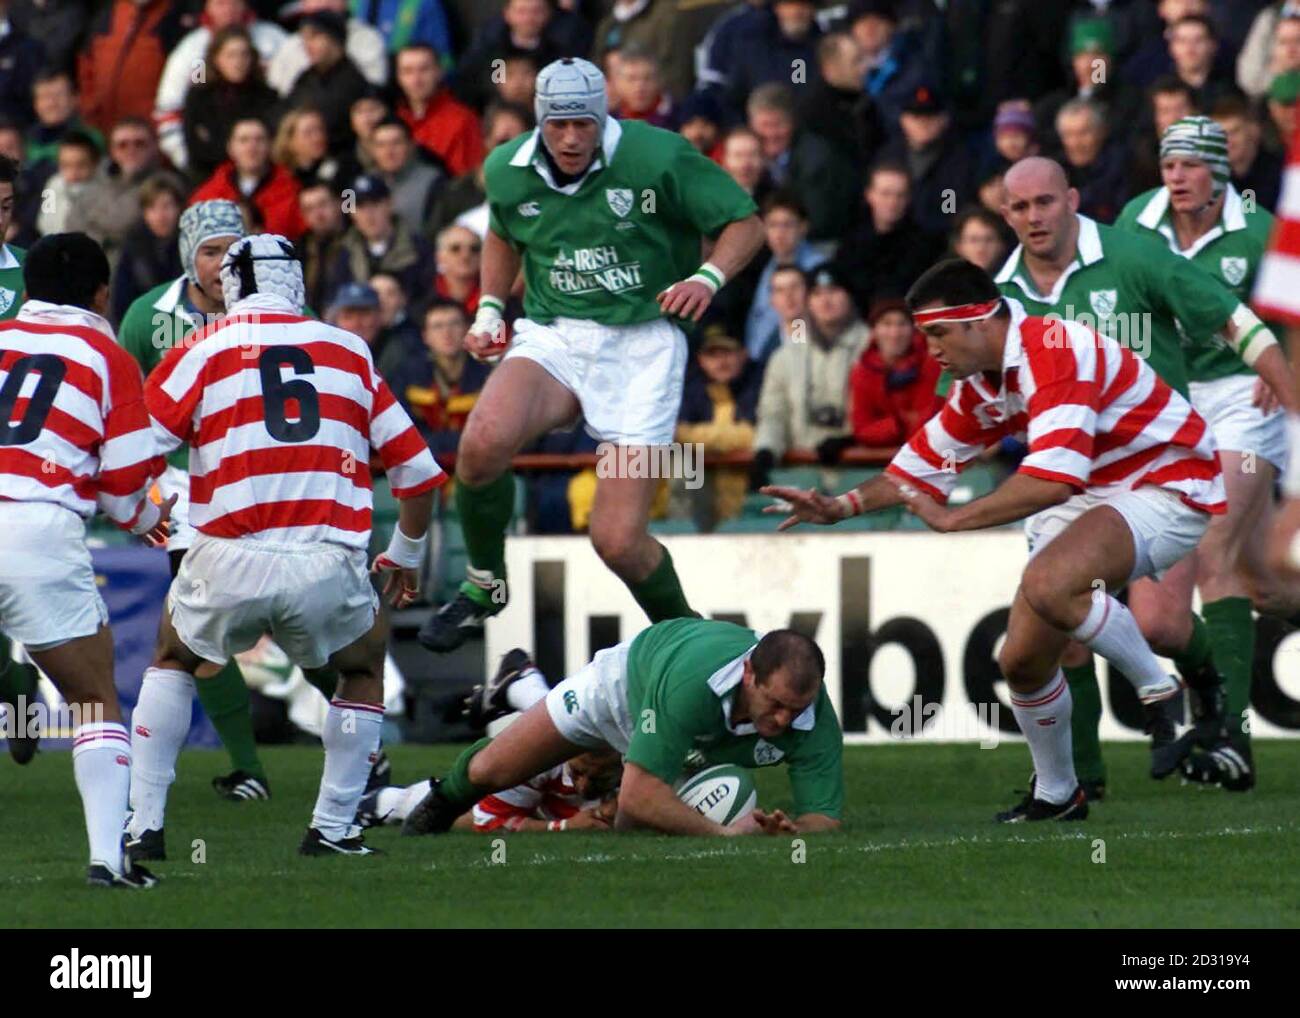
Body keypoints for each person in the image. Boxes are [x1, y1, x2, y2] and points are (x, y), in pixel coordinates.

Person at [765, 258, 1230, 821]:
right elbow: (916, 471)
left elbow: (1053, 482)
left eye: (938, 333)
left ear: (980, 322)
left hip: (1170, 482)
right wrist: (839, 506)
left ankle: (1158, 689)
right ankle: (1060, 793)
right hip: (1096, 491)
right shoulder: (981, 383)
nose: (931, 349)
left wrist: (957, 520)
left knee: (1050, 583)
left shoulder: (1050, 348)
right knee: (1022, 661)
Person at [418, 58, 763, 652]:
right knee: (480, 445)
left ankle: (700, 646)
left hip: (643, 347)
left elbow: (746, 224)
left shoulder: (658, 156)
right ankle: (483, 584)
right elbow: (504, 231)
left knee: (617, 541)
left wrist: (706, 278)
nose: (573, 137)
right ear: (539, 122)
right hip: (557, 335)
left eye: (585, 123)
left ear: (604, 115)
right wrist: (491, 311)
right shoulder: (507, 168)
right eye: (560, 126)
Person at [988, 156, 1296, 797]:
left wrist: (1284, 385)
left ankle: (1214, 707)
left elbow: (1229, 316)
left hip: (1155, 471)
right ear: (1005, 214)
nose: (1035, 217)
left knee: (1160, 623)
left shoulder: (1132, 256)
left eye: (1045, 202)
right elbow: (969, 394)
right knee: (1058, 621)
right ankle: (1081, 783)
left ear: (1072, 199)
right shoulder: (1004, 294)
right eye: (1020, 208)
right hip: (1067, 476)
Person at [129, 233, 442, 857]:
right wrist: (403, 557)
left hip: (226, 553)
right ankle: (332, 827)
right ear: (296, 283)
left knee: (172, 659)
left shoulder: (200, 346)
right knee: (360, 669)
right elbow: (418, 471)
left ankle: (144, 828)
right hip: (326, 561)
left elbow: (136, 447)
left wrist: (143, 515)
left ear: (232, 286)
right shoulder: (348, 350)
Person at [1118, 116, 1294, 789]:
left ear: (1220, 172)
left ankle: (1231, 741)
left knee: (1216, 549)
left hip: (1248, 396)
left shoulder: (1258, 228)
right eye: (1170, 165)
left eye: (1192, 165)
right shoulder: (1136, 221)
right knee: (1228, 589)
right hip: (1167, 407)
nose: (1178, 177)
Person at [0, 232, 171, 884]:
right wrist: (149, 521)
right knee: (93, 698)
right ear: (104, 294)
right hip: (36, 530)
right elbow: (126, 484)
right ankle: (108, 859)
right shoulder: (107, 355)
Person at [118, 200, 294, 802]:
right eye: (210, 251)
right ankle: (250, 769)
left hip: (264, 479)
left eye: (231, 250)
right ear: (187, 258)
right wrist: (141, 487)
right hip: (185, 491)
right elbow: (128, 403)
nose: (222, 265)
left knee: (297, 625)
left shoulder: (285, 309)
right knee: (200, 628)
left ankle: (365, 751)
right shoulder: (148, 316)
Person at [402, 620, 843, 836]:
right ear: (749, 674)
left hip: (690, 742)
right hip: (618, 692)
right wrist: (725, 833)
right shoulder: (694, 684)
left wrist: (793, 831)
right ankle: (436, 806)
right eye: (777, 704)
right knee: (492, 771)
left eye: (797, 708)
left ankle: (521, 686)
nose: (786, 720)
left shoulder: (815, 719)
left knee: (637, 827)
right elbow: (638, 799)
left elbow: (824, 817)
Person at [182, 26, 281, 182]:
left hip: (261, 178)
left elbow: (271, 142)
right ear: (216, 58)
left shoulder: (268, 96)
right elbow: (195, 148)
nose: (238, 62)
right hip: (207, 178)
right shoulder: (199, 96)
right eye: (231, 55)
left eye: (244, 55)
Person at [188, 116, 306, 241]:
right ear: (230, 148)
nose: (252, 147)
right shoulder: (208, 196)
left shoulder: (292, 190)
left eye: (259, 140)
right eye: (244, 140)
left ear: (270, 145)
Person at [849, 299, 940, 446]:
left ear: (913, 329)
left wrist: (885, 427)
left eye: (902, 324)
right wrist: (899, 424)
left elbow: (928, 423)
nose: (894, 333)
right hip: (881, 458)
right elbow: (861, 430)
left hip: (924, 452)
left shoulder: (930, 364)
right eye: (887, 324)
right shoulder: (862, 371)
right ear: (874, 330)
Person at [394, 43, 484, 177]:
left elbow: (468, 179)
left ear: (439, 72)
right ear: (399, 78)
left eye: (424, 70)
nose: (416, 79)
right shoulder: (394, 119)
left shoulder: (462, 120)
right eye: (408, 71)